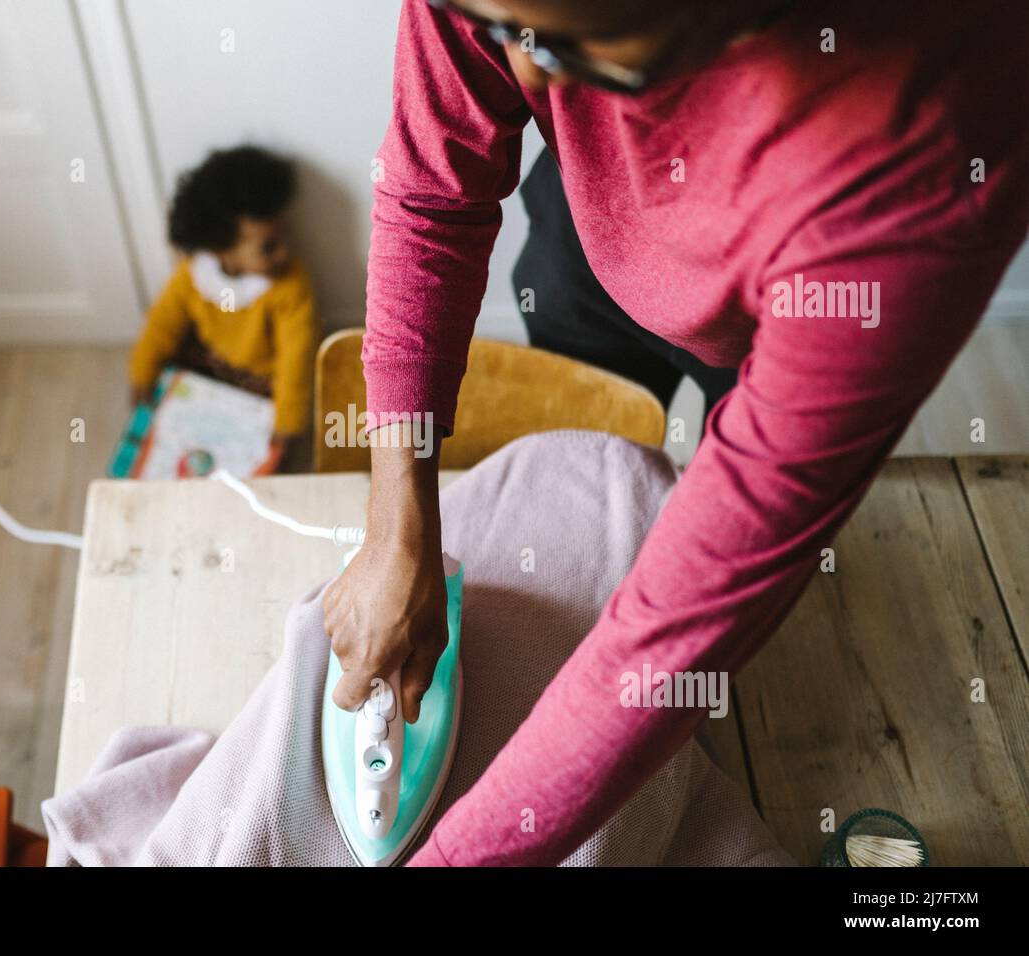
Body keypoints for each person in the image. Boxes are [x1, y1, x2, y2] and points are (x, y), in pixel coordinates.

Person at [323, 0, 1029, 865]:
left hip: (784, 307)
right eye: (502, 28)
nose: (527, 73)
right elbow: (433, 194)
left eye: (585, 53)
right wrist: (398, 527)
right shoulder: (525, 18)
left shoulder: (929, 144)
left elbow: (683, 624)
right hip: (594, 223)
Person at [128, 145, 317, 462]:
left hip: (261, 378)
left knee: (255, 445)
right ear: (221, 250)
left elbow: (295, 358)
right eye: (269, 246)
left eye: (284, 236)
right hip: (209, 363)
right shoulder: (193, 276)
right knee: (169, 419)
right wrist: (142, 371)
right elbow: (162, 324)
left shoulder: (290, 286)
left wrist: (288, 422)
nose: (285, 252)